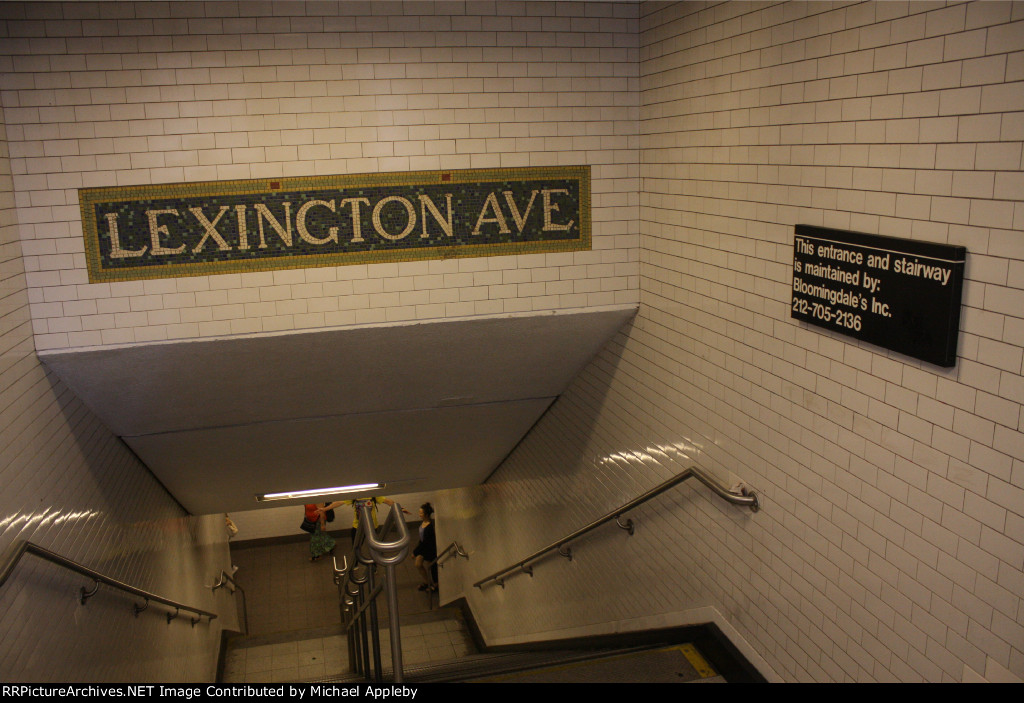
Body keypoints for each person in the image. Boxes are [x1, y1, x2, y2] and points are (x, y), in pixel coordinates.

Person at [343, 496, 409, 544]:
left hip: (372, 526)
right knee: (356, 546)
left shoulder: (373, 495)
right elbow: (340, 501)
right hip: (357, 526)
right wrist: (331, 507)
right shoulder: (354, 496)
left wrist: (400, 509)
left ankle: (374, 561)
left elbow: (388, 501)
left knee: (374, 546)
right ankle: (355, 562)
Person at [413, 502, 438, 592]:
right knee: (418, 564)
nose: (419, 515)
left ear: (426, 515)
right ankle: (427, 582)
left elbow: (426, 542)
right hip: (423, 548)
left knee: (431, 567)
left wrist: (415, 552)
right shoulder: (423, 523)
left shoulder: (429, 527)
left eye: (421, 513)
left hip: (429, 550)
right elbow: (422, 540)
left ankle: (435, 584)